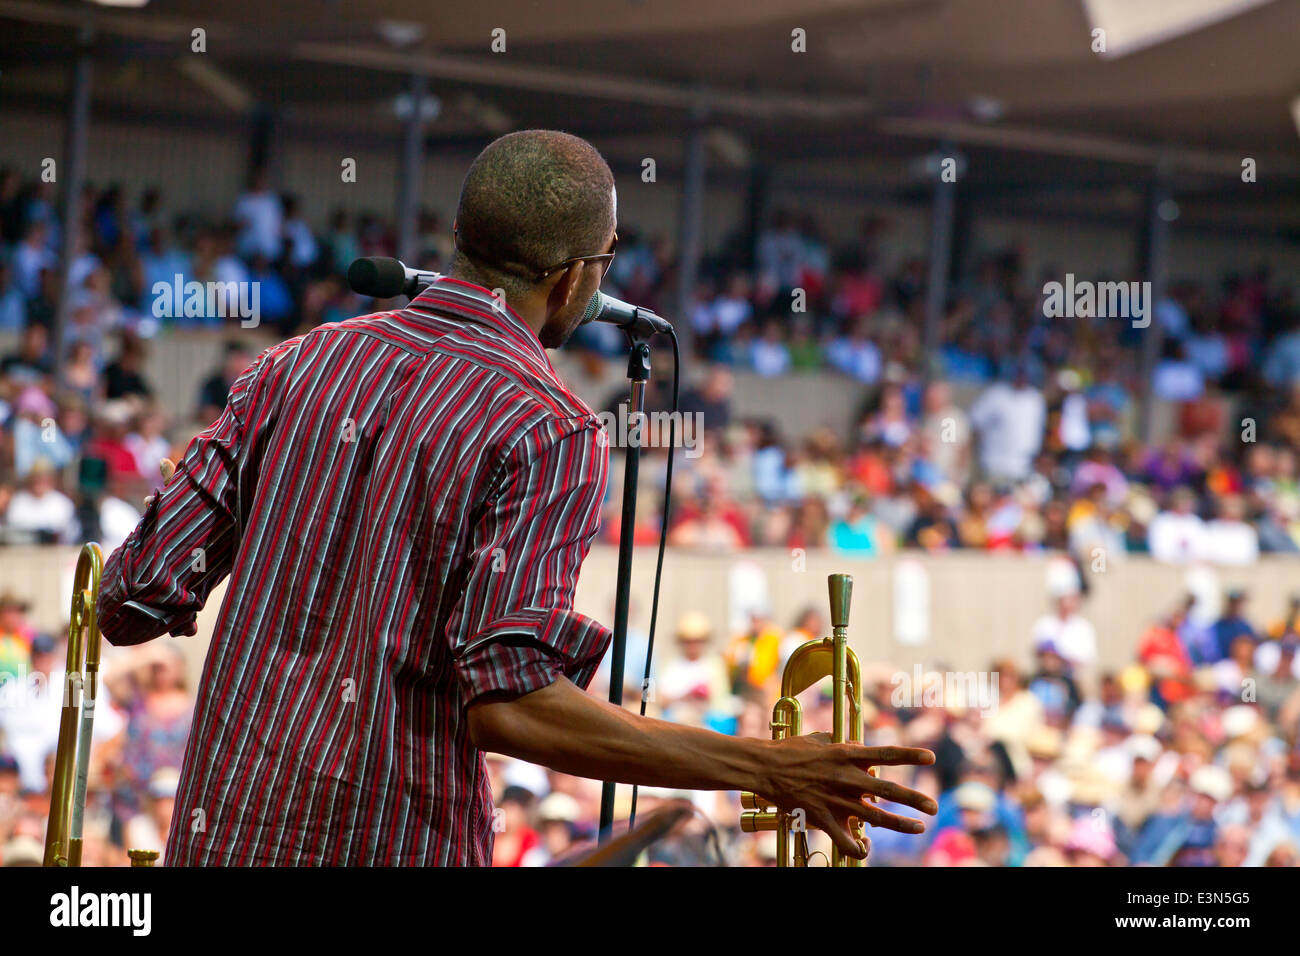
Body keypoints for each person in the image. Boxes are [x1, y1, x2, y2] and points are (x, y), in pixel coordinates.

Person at [97, 130, 936, 866]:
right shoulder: (549, 428)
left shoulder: (293, 364)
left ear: (460, 238)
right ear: (575, 280)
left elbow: (132, 597)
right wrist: (763, 767)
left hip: (220, 837)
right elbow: (510, 704)